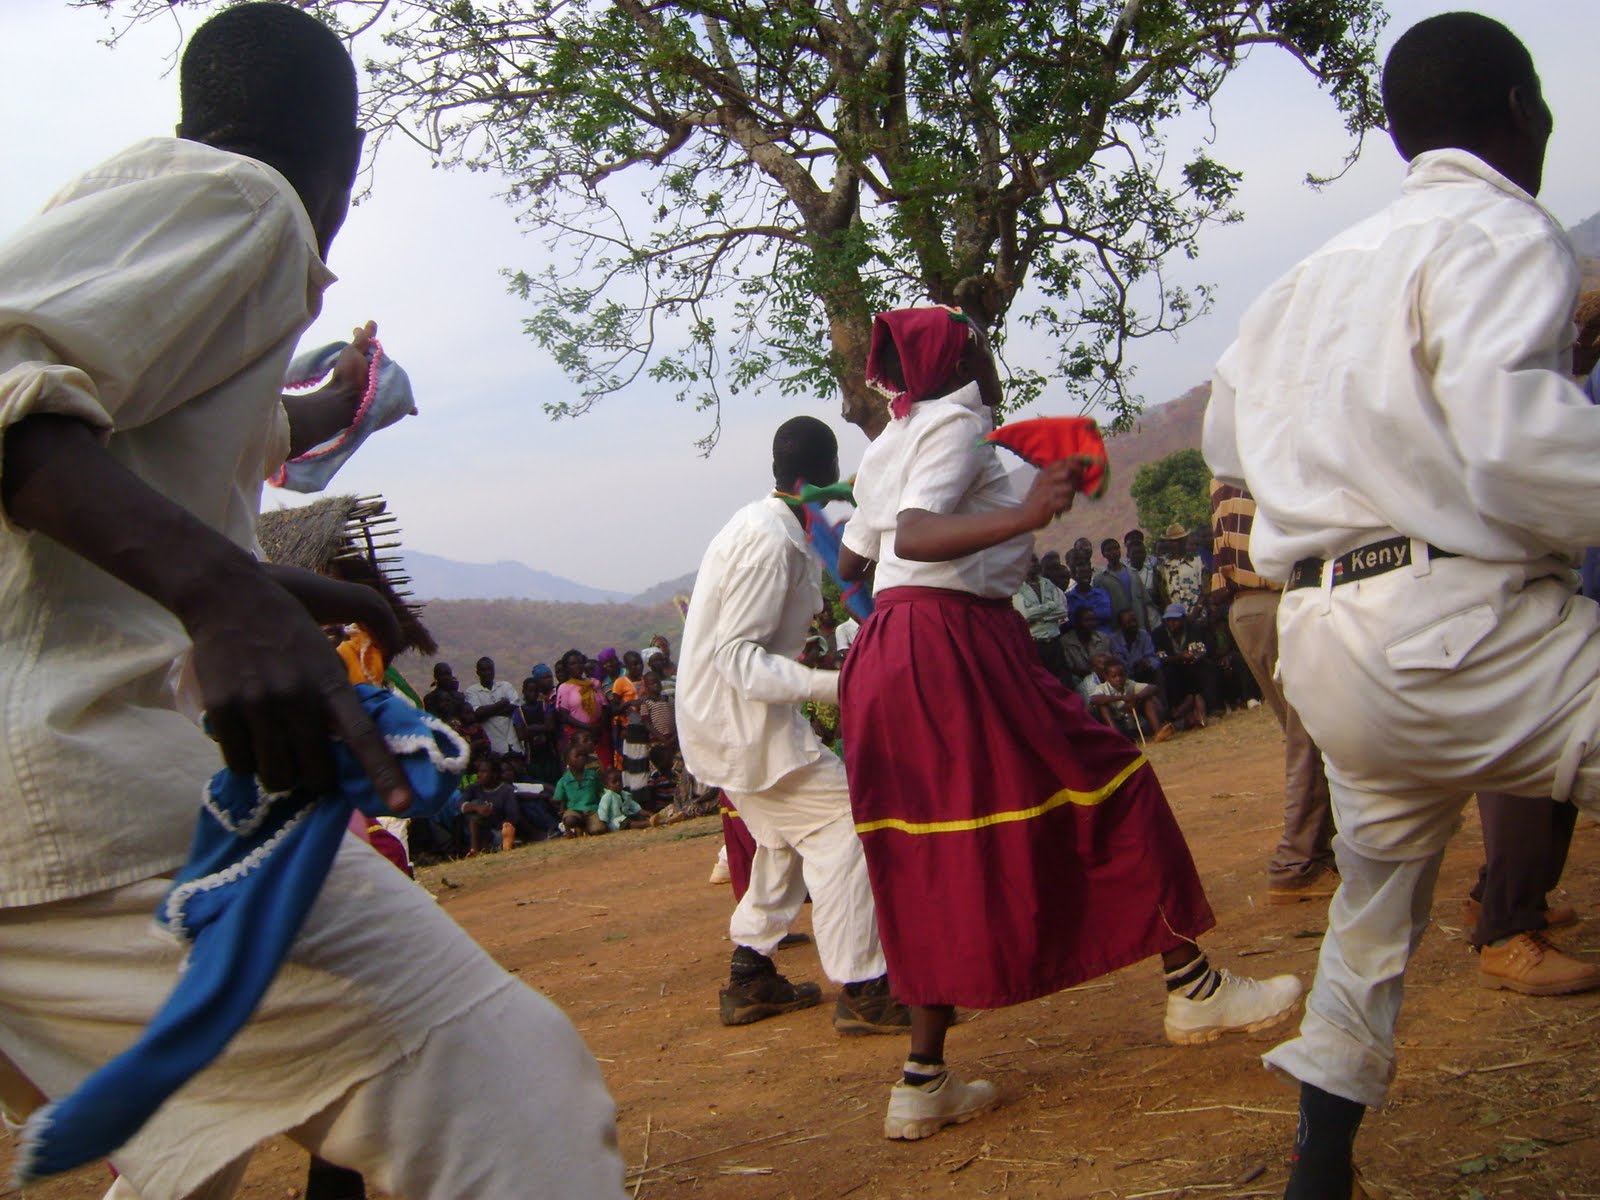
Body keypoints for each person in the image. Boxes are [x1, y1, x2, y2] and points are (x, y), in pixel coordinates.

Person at [0, 6, 622, 1197]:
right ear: (345, 152)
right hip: (62, 786)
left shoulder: (134, 214)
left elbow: (138, 450)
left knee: (206, 1138)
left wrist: (298, 536)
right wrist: (226, 594)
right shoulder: (247, 200)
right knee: (504, 1089)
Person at [1203, 14, 1600, 1197]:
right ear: (1525, 109)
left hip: (1331, 646)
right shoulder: (1504, 229)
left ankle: (1319, 1170)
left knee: (1372, 916)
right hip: (1464, 632)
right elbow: (1513, 444)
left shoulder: (1303, 281)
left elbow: (1229, 433)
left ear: (1393, 131)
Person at [838, 305, 1300, 1143]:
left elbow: (854, 558)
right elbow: (915, 531)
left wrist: (1003, 504)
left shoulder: (888, 443)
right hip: (953, 640)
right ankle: (1194, 991)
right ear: (962, 359)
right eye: (978, 340)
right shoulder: (956, 424)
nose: (989, 352)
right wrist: (1021, 513)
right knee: (1115, 783)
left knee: (926, 846)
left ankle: (922, 1079)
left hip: (890, 649)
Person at [677, 416, 910, 1038]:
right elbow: (738, 658)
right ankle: (864, 986)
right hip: (739, 726)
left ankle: (751, 975)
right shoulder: (770, 541)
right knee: (845, 824)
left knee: (782, 841)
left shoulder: (774, 527)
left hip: (735, 725)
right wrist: (841, 685)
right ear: (821, 475)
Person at [1209, 481, 1336, 906]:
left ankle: (1324, 850)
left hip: (1247, 608)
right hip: (1275, 601)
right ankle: (1297, 862)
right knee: (1309, 737)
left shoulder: (1228, 457)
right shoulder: (1261, 452)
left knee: (1306, 735)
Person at [1152, 603, 1217, 730]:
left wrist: (1193, 657)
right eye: (1169, 620)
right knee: (1167, 673)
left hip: (1194, 665)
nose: (1172, 624)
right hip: (1173, 667)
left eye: (1175, 620)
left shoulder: (1195, 629)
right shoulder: (1158, 634)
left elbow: (1203, 649)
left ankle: (1213, 707)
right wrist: (1179, 657)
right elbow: (1160, 658)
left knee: (1207, 667)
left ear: (1183, 619)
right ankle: (1178, 711)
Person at [1012, 555, 1071, 684]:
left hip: (1055, 641)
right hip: (1035, 644)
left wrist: (1039, 615)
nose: (1035, 564)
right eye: (1031, 560)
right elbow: (1025, 615)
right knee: (1043, 683)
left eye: (1036, 560)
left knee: (1064, 682)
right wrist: (1050, 608)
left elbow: (1062, 611)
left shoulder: (1047, 583)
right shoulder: (1016, 587)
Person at [1087, 661, 1174, 744]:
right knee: (1103, 706)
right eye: (1114, 676)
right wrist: (1120, 697)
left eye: (1121, 675)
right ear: (1106, 677)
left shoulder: (1129, 683)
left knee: (1147, 698)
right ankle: (1117, 737)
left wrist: (1136, 697)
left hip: (1130, 721)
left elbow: (1153, 687)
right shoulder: (1102, 688)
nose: (1119, 679)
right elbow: (1093, 699)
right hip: (1114, 723)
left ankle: (1158, 731)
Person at [555, 647, 613, 769]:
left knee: (604, 768)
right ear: (567, 668)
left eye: (580, 662)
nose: (577, 666)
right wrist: (587, 728)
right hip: (578, 736)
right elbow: (564, 715)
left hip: (599, 734)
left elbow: (604, 706)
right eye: (573, 663)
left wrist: (599, 727)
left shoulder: (593, 683)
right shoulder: (564, 688)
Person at [464, 655, 520, 756]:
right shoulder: (471, 692)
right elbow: (477, 714)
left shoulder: (505, 686)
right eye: (483, 670)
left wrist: (488, 712)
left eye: (490, 669)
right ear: (478, 672)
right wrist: (501, 704)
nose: (487, 673)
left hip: (513, 742)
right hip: (493, 748)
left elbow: (515, 708)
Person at [554, 745, 607, 836]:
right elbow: (562, 801)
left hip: (592, 810)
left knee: (598, 830)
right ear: (567, 761)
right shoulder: (564, 781)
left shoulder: (593, 775)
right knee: (570, 820)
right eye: (577, 756)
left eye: (583, 756)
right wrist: (566, 828)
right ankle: (578, 826)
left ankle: (585, 827)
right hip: (574, 810)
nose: (581, 758)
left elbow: (600, 792)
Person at [1059, 604, 1113, 687]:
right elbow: (1069, 668)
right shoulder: (1066, 641)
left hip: (1104, 680)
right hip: (1078, 682)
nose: (1091, 623)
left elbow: (1109, 662)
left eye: (1093, 620)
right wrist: (1092, 672)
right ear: (1077, 623)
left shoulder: (1103, 638)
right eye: (1087, 620)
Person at [1157, 524, 1205, 614]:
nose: (1176, 544)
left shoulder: (1198, 561)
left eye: (1179, 541)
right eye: (1172, 541)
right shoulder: (1162, 567)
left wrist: (1196, 611)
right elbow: (1163, 595)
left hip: (1198, 616)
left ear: (1185, 540)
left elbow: (1205, 591)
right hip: (1175, 619)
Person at [1110, 607, 1162, 684]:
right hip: (1125, 677)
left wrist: (1148, 663)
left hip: (1144, 674)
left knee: (1158, 672)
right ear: (1121, 625)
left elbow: (1153, 658)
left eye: (1134, 621)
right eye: (1129, 622)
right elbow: (1119, 663)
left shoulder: (1144, 635)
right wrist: (1135, 665)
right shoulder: (1114, 639)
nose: (1133, 624)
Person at [1093, 537, 1135, 627]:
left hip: (1138, 620)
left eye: (1116, 548)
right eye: (1109, 550)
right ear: (1103, 554)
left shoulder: (1132, 572)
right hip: (1117, 625)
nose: (1113, 552)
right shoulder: (1100, 579)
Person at [1127, 532, 1166, 627]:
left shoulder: (1153, 572)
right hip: (1137, 622)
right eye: (1135, 553)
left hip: (1156, 620)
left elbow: (1161, 596)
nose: (1139, 556)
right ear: (1128, 555)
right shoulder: (1126, 574)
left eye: (1142, 552)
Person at [1063, 553, 1113, 629]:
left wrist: (1081, 616)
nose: (1085, 575)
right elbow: (1070, 621)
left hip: (1102, 635)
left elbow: (1106, 614)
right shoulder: (1069, 597)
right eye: (1081, 573)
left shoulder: (1101, 593)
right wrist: (1094, 612)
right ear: (1075, 575)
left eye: (1087, 572)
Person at [597, 768, 650, 832]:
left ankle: (651, 820)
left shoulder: (625, 795)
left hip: (626, 817)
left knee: (639, 817)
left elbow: (635, 807)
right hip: (615, 821)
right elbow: (603, 811)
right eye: (614, 782)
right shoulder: (608, 796)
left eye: (620, 781)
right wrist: (604, 825)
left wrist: (648, 813)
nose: (618, 784)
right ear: (607, 785)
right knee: (627, 823)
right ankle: (649, 823)